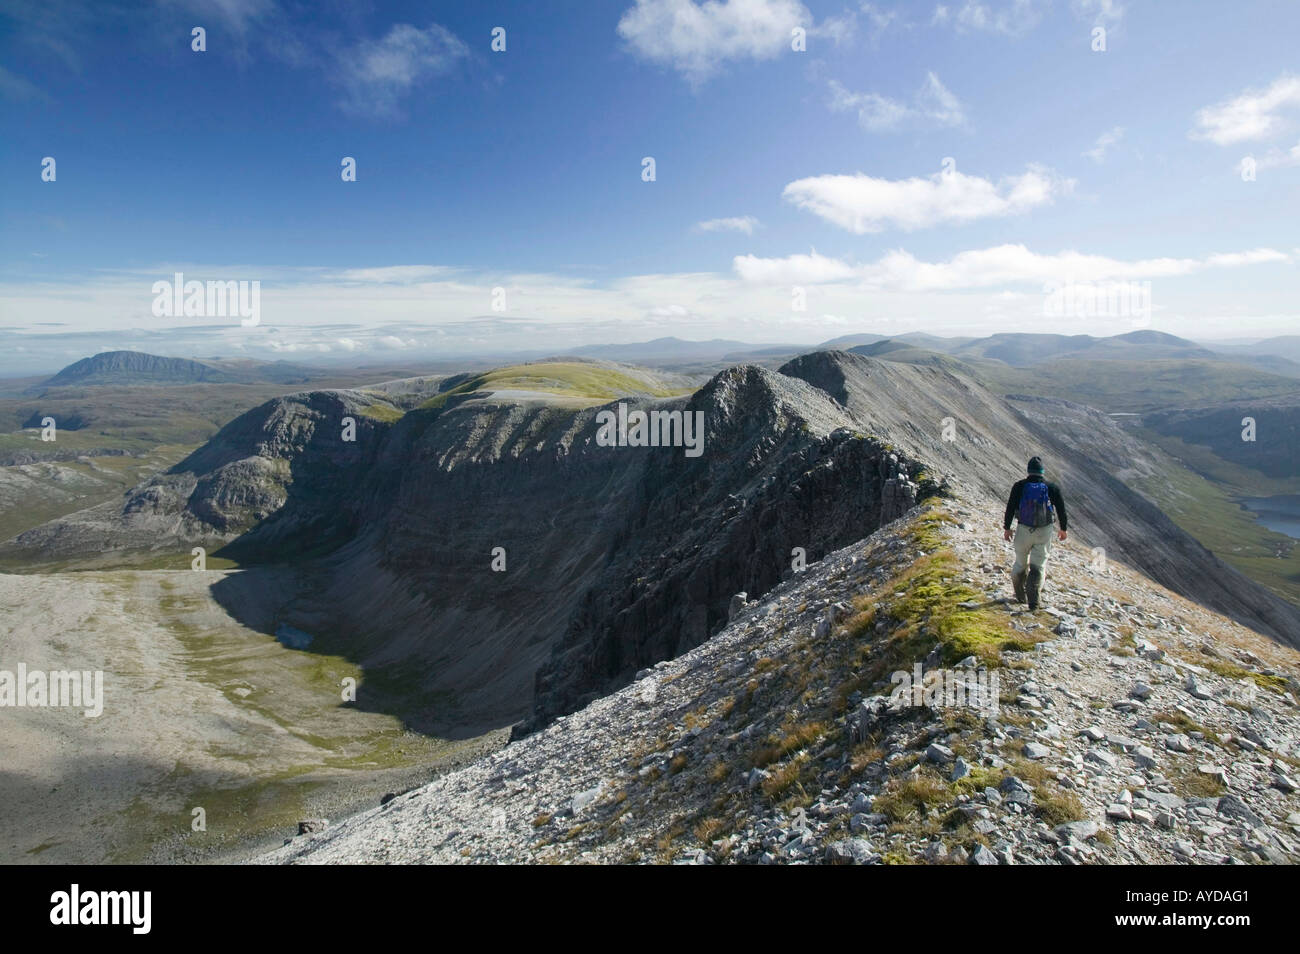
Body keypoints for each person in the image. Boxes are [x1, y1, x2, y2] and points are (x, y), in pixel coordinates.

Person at [1002, 456, 1068, 611]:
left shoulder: (1019, 486)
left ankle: (1020, 596)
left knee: (1020, 563)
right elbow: (1061, 509)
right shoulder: (1052, 488)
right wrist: (1063, 529)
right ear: (1042, 472)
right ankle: (1034, 603)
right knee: (1038, 566)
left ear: (1028, 471)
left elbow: (1010, 507)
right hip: (1044, 531)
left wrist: (1007, 528)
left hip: (1024, 529)